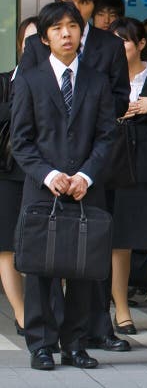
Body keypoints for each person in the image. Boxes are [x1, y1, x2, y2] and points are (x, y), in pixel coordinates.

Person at [19, 0, 131, 353]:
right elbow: (27, 117)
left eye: (81, 7)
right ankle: (42, 344)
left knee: (86, 262)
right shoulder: (35, 51)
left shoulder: (107, 50)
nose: (69, 26)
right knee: (41, 266)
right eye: (65, 8)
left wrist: (85, 173)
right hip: (44, 177)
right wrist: (50, 173)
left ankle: (81, 340)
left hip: (90, 174)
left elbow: (111, 116)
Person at [107, 17, 147, 336]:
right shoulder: (105, 80)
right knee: (119, 245)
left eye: (125, 41)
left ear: (141, 44)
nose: (119, 48)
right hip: (115, 169)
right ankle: (121, 310)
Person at [0, 17, 38, 337]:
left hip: (42, 174)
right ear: (19, 45)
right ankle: (22, 312)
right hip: (6, 173)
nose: (34, 47)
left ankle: (46, 309)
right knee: (6, 247)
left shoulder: (57, 82)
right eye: (29, 41)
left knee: (45, 244)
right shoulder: (3, 82)